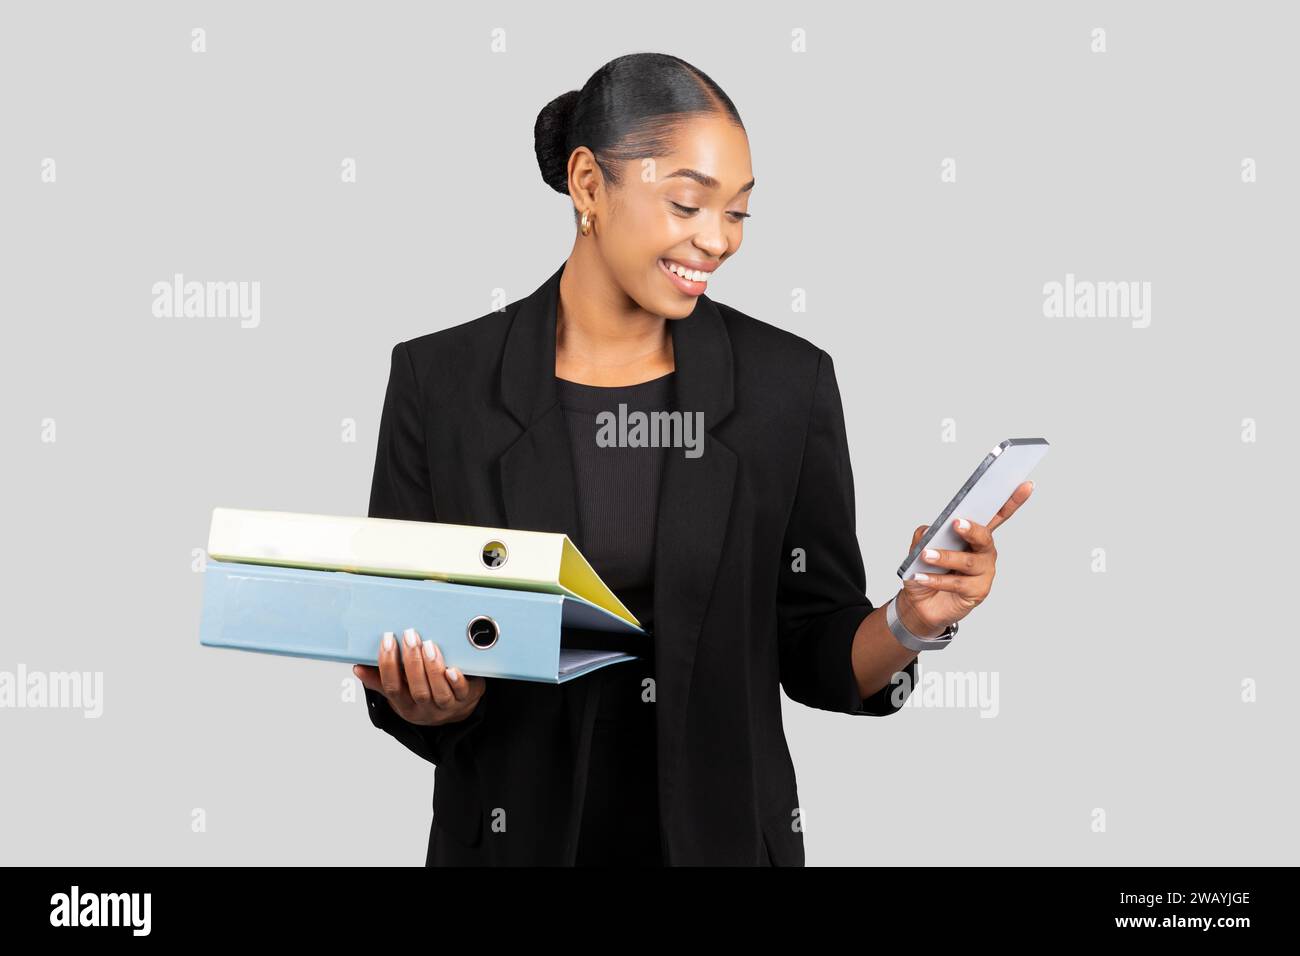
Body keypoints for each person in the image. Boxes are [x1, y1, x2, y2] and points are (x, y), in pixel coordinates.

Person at [351, 52, 1033, 866]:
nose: (718, 240)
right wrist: (431, 703)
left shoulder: (788, 385)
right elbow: (401, 643)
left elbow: (815, 645)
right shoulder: (440, 382)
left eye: (740, 212)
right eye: (687, 203)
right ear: (588, 185)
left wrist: (911, 621)